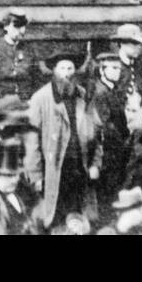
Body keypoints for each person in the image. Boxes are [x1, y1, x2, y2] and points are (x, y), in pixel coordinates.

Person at [25, 53, 101, 229]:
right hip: (53, 170)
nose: (66, 73)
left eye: (70, 68)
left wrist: (95, 163)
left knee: (79, 217)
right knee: (54, 218)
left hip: (79, 167)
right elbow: (31, 140)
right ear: (54, 71)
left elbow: (96, 133)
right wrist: (35, 174)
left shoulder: (83, 95)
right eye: (62, 68)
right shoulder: (41, 98)